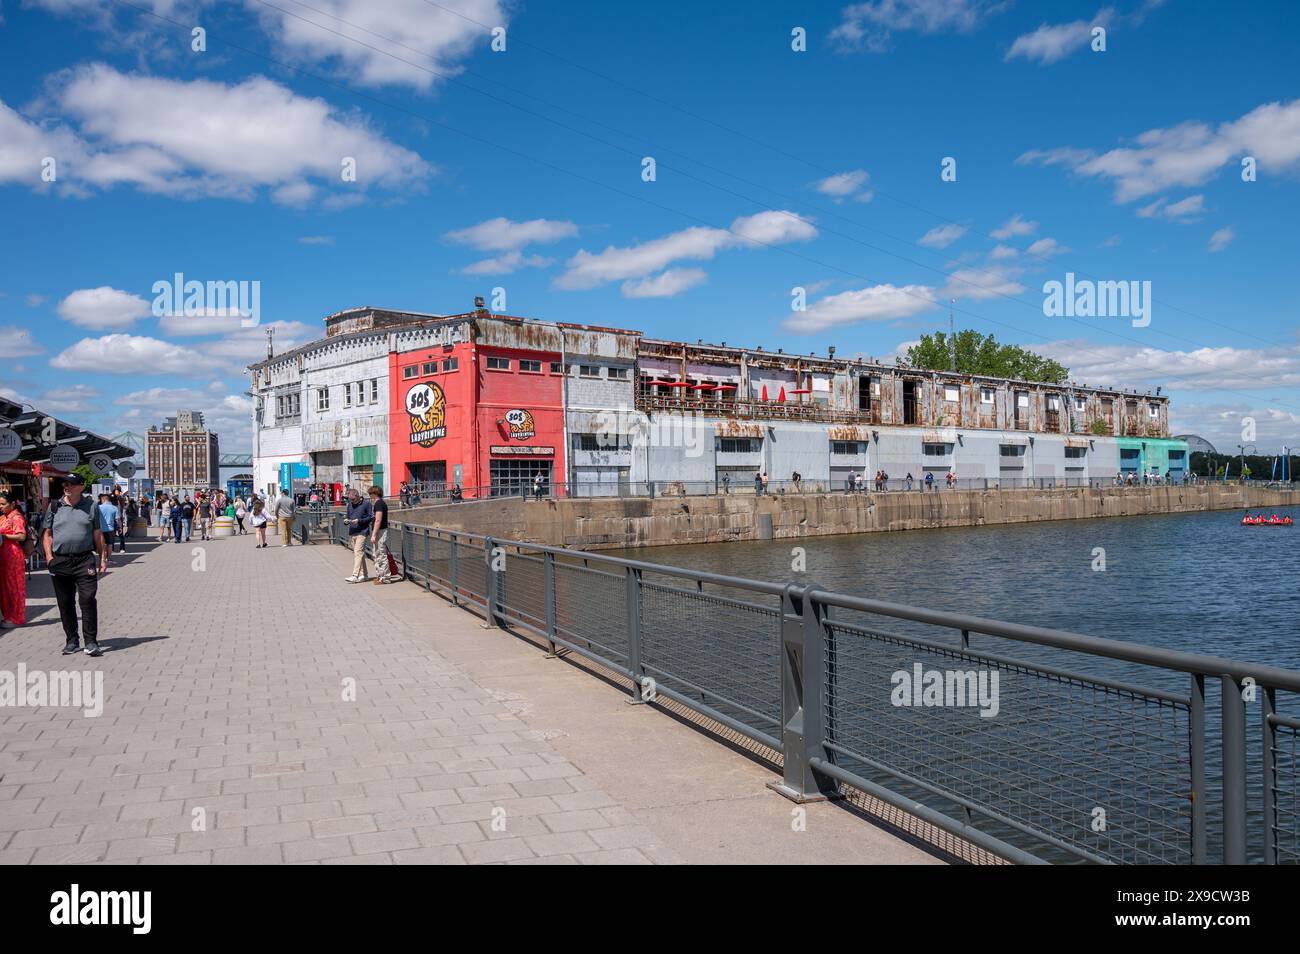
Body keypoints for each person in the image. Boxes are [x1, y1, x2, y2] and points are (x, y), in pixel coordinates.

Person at [42, 474, 108, 656]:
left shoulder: (91, 506)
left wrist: (102, 558)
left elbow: (97, 534)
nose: (66, 487)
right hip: (61, 560)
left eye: (71, 484)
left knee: (87, 599)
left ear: (80, 487)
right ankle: (71, 640)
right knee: (65, 602)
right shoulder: (55, 507)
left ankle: (91, 642)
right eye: (65, 484)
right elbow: (47, 534)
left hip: (84, 559)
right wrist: (49, 557)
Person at [0, 491, 28, 630]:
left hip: (13, 556)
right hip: (4, 555)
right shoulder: (4, 517)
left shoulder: (16, 517)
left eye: (3, 504)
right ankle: (7, 616)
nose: (0, 506)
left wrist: (4, 536)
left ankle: (16, 617)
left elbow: (21, 536)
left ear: (12, 504)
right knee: (5, 587)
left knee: (14, 587)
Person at [344, 488, 373, 583]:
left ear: (357, 496)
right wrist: (346, 521)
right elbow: (348, 516)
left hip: (362, 531)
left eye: (352, 499)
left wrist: (359, 520)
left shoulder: (366, 504)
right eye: (350, 499)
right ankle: (364, 575)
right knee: (360, 554)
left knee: (358, 552)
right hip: (353, 531)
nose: (351, 501)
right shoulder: (349, 505)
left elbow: (370, 517)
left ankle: (355, 575)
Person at [368, 485, 395, 584]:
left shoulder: (379, 504)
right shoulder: (379, 503)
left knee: (381, 554)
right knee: (377, 554)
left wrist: (374, 534)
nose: (370, 495)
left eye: (370, 493)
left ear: (375, 494)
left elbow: (378, 520)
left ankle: (385, 578)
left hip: (380, 531)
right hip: (380, 531)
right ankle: (380, 576)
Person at [96, 493, 120, 558]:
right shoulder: (114, 508)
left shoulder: (98, 507)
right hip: (110, 529)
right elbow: (118, 520)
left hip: (100, 529)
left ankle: (102, 558)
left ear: (103, 499)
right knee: (110, 545)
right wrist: (119, 528)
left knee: (101, 545)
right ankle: (108, 559)